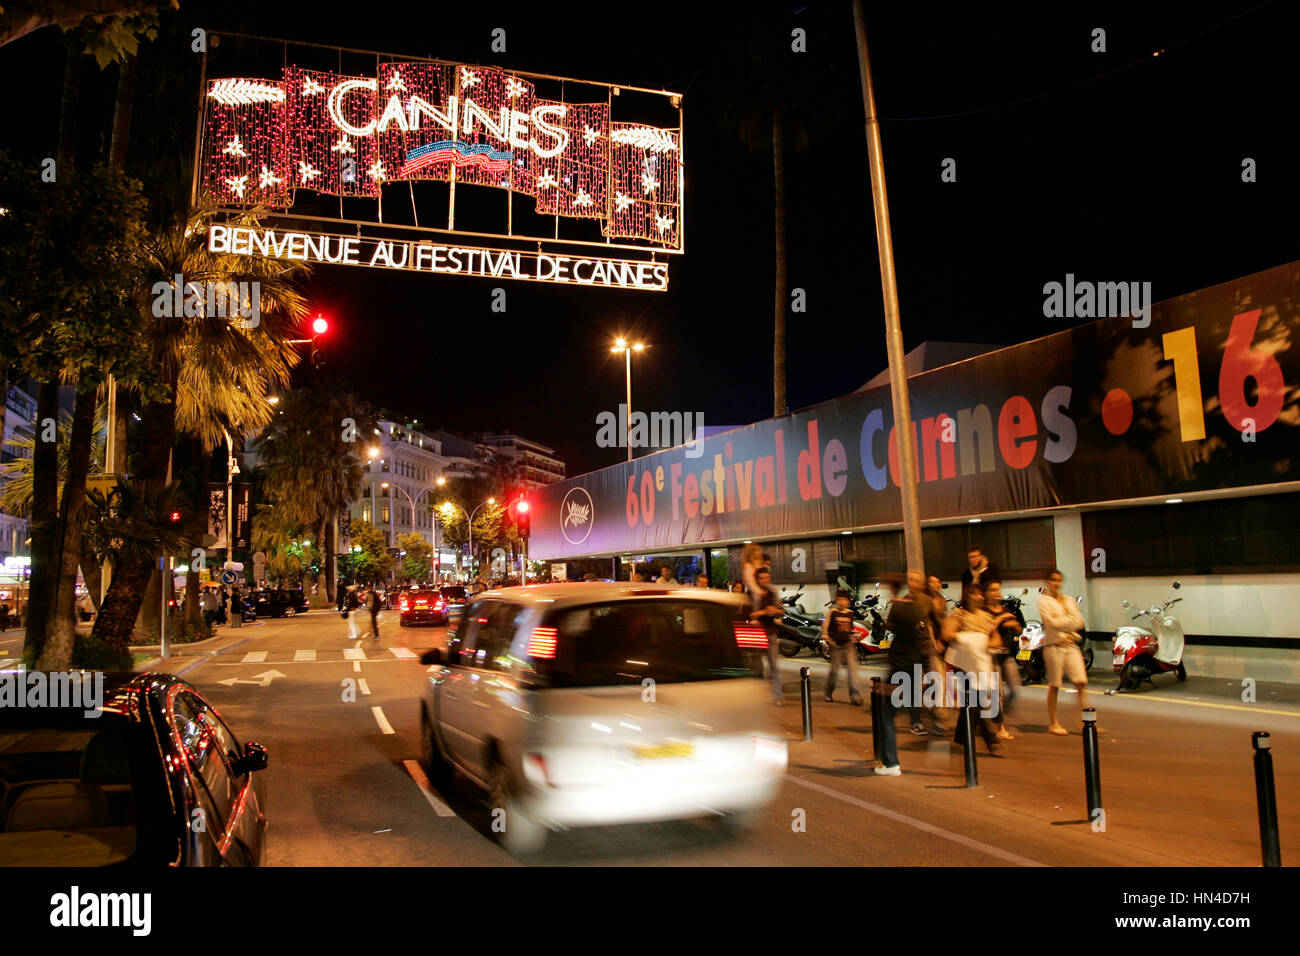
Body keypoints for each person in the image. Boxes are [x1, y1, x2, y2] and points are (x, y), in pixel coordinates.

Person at [1037, 569, 1099, 735]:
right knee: (1055, 685)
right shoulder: (1044, 601)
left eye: (1058, 580)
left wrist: (1063, 624)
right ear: (1047, 582)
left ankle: (1085, 720)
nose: (1056, 583)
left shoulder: (1070, 600)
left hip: (1071, 645)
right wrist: (1067, 624)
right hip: (1053, 646)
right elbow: (1050, 623)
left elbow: (1079, 621)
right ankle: (1053, 722)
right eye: (1053, 580)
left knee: (1080, 682)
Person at [941, 584, 1001, 753]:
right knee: (976, 700)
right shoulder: (958, 615)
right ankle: (991, 740)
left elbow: (996, 639)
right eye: (975, 594)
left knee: (974, 702)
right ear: (968, 596)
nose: (979, 597)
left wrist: (985, 644)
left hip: (981, 664)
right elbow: (947, 634)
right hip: (962, 665)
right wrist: (970, 639)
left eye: (981, 594)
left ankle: (962, 736)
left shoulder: (986, 617)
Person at [886, 570, 939, 735]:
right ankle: (916, 721)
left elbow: (937, 621)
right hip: (909, 652)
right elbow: (890, 625)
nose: (912, 583)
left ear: (921, 584)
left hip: (926, 648)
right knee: (911, 687)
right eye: (910, 580)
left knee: (935, 683)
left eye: (916, 581)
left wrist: (938, 641)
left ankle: (934, 717)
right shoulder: (901, 603)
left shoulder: (927, 602)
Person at [983, 580, 1022, 739]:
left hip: (1007, 653)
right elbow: (986, 629)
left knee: (1015, 688)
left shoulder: (1006, 609)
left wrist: (1013, 624)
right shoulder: (983, 611)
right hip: (992, 654)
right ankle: (1000, 726)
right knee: (996, 692)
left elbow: (1019, 628)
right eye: (993, 590)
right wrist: (1000, 620)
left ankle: (997, 715)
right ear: (986, 594)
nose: (997, 593)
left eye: (998, 590)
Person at [748, 567, 785, 705]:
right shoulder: (753, 594)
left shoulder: (772, 592)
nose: (765, 580)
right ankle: (756, 695)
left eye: (767, 578)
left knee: (774, 665)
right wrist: (764, 612)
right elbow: (751, 614)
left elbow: (781, 610)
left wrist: (775, 611)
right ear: (757, 579)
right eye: (762, 578)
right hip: (756, 633)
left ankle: (778, 696)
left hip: (771, 632)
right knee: (757, 665)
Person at [821, 590, 862, 705]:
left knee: (852, 671)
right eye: (839, 599)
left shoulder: (850, 613)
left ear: (848, 601)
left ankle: (855, 696)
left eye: (844, 599)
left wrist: (853, 637)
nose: (842, 602)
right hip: (836, 646)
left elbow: (851, 628)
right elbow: (825, 628)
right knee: (834, 671)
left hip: (848, 645)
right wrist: (829, 640)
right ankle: (828, 692)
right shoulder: (832, 612)